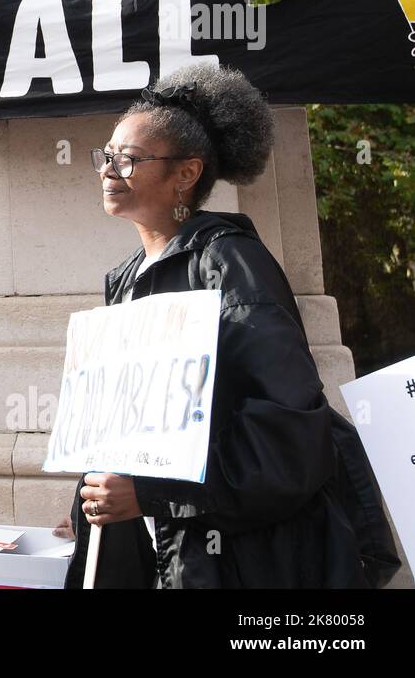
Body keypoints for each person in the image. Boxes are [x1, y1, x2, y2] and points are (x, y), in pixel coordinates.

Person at [60, 64, 384, 588]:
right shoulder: (125, 278)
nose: (107, 169)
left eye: (129, 158)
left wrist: (150, 494)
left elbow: (286, 435)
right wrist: (98, 506)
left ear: (186, 174)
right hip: (164, 549)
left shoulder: (232, 265)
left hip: (243, 562)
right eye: (107, 155)